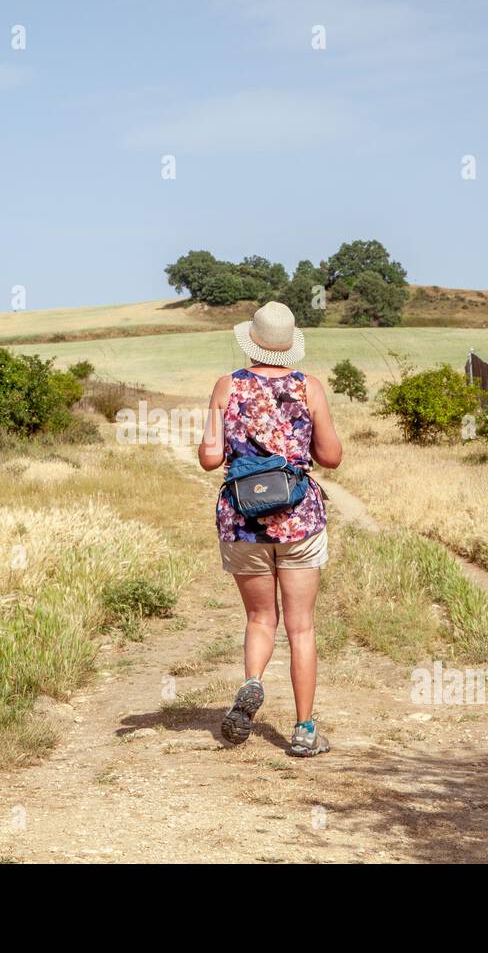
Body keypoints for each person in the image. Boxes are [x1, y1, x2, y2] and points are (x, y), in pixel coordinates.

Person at [198, 301, 343, 757]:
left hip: (243, 520)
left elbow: (209, 458)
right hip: (298, 519)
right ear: (290, 346)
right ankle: (304, 730)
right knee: (301, 628)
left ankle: (253, 682)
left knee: (260, 618)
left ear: (252, 341)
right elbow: (332, 457)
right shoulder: (309, 388)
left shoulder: (228, 386)